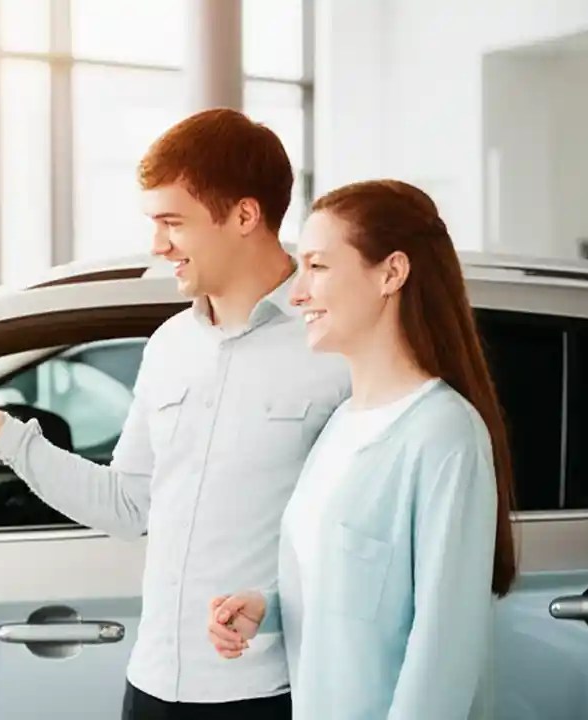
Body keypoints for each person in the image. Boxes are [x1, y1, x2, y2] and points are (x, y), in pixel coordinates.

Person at [0, 108, 351, 719]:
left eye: (172, 222)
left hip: (271, 693)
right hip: (153, 685)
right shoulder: (169, 346)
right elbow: (129, 507)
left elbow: (357, 546)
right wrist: (0, 432)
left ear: (243, 215)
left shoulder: (333, 347)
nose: (157, 246)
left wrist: (272, 606)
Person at [206, 180, 517, 719]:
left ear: (392, 273)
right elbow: (358, 595)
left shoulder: (444, 436)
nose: (297, 293)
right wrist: (268, 608)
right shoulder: (342, 426)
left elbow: (443, 656)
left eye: (318, 267)